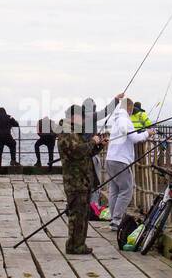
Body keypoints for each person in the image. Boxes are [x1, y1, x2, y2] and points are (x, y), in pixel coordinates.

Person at [56, 105, 105, 255]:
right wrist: (92, 142)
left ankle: (79, 244)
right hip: (75, 181)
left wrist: (98, 146)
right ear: (73, 116)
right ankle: (74, 245)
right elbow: (76, 152)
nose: (83, 121)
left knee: (83, 214)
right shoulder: (66, 132)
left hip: (83, 180)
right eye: (81, 117)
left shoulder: (74, 132)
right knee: (76, 215)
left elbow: (85, 153)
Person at [105, 94, 151, 230]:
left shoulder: (117, 119)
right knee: (126, 190)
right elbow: (134, 138)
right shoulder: (125, 119)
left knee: (114, 190)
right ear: (129, 108)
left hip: (110, 159)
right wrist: (148, 133)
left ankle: (114, 218)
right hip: (121, 160)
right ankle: (116, 220)